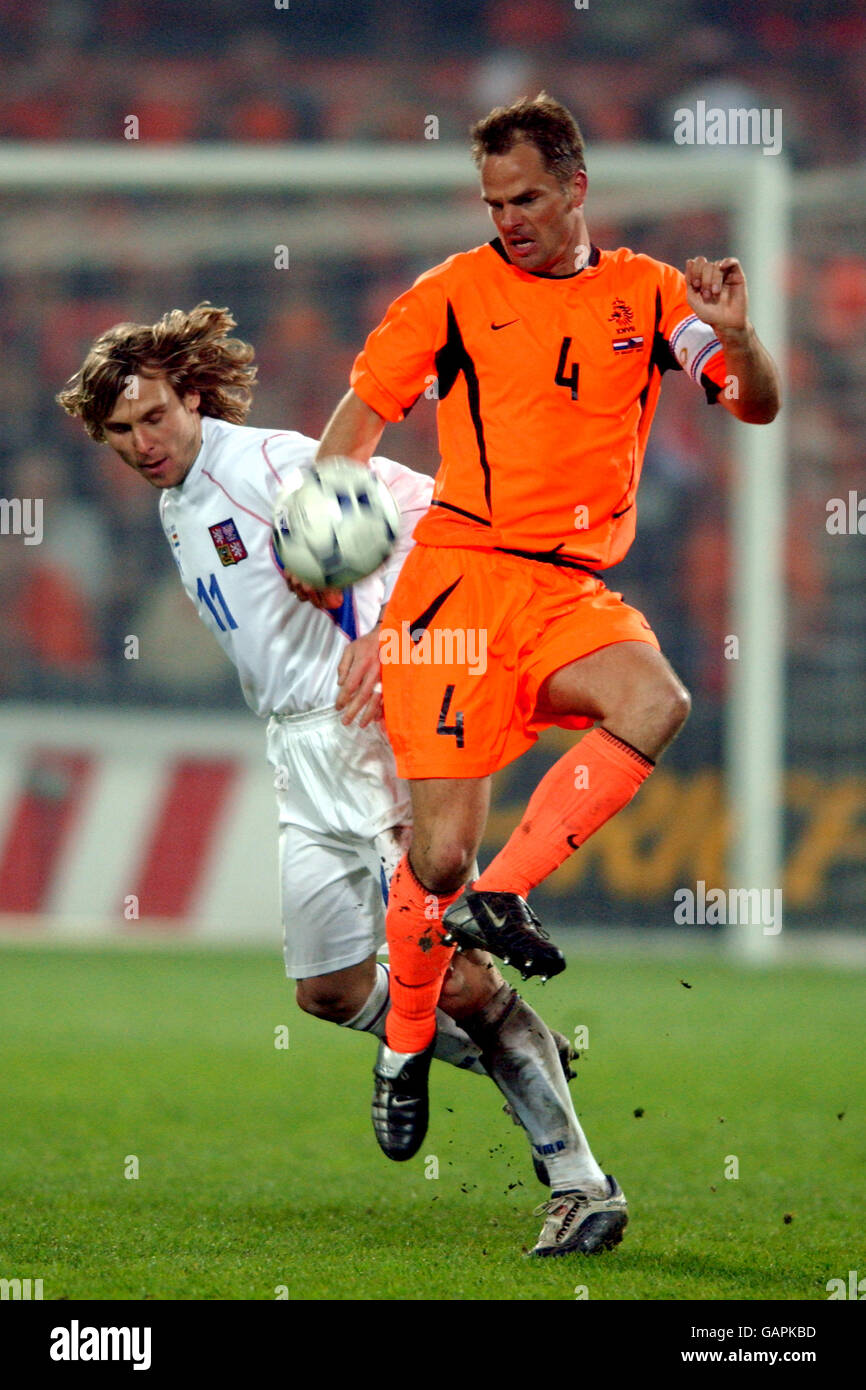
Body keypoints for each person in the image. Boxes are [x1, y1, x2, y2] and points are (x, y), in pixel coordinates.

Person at [314, 93, 781, 1256]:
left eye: (525, 197)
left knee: (655, 699)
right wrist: (359, 601)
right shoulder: (446, 296)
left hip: (568, 585)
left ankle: (506, 899)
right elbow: (346, 442)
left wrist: (744, 332)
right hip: (456, 586)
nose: (508, 219)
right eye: (491, 202)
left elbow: (755, 405)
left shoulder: (650, 294)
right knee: (432, 858)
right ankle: (403, 1037)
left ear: (575, 187)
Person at [56, 303, 599, 1250]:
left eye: (154, 418)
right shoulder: (178, 501)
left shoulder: (266, 464)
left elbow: (433, 508)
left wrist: (392, 635)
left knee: (458, 977)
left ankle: (580, 1181)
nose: (142, 443)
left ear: (191, 397)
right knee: (329, 989)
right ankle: (513, 1047)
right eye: (121, 432)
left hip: (375, 740)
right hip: (297, 754)